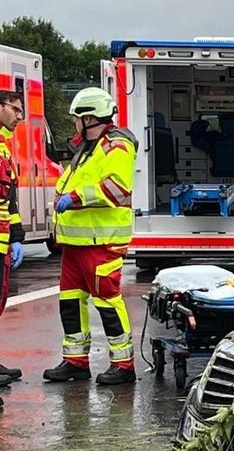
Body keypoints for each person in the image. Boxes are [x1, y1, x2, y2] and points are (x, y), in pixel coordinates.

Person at [43, 88, 138, 386]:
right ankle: (75, 362)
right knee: (70, 301)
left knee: (108, 302)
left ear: (88, 118)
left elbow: (116, 188)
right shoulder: (88, 147)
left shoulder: (116, 147)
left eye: (76, 119)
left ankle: (123, 365)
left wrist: (74, 197)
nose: (74, 124)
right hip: (76, 243)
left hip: (101, 241)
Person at [0, 89, 26, 401]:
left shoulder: (5, 146)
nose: (20, 117)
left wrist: (16, 236)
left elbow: (9, 196)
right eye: (15, 110)